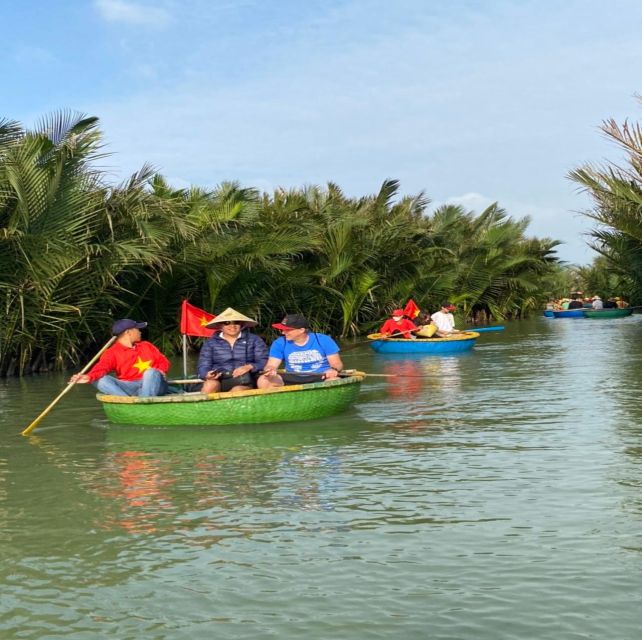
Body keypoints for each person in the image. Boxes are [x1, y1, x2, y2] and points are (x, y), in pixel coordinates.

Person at [70, 319, 170, 396]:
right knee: (98, 379)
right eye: (137, 329)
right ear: (128, 332)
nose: (140, 332)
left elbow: (163, 361)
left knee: (151, 372)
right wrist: (88, 376)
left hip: (155, 385)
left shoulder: (146, 345)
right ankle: (127, 401)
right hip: (129, 386)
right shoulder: (112, 352)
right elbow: (102, 367)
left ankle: (145, 400)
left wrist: (160, 370)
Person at [257, 313, 343, 389]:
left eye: (287, 330)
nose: (283, 332)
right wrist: (270, 369)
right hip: (292, 376)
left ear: (301, 330)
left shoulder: (323, 340)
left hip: (321, 376)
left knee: (335, 381)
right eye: (282, 330)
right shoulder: (279, 343)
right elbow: (271, 364)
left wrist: (333, 370)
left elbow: (337, 364)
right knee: (263, 380)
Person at [197, 307, 268, 393]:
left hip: (245, 380)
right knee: (209, 386)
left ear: (241, 324)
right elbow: (203, 365)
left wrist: (249, 367)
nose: (232, 326)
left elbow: (263, 361)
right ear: (220, 326)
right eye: (227, 323)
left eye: (236, 322)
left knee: (237, 390)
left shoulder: (255, 340)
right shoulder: (210, 343)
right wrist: (206, 374)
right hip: (220, 379)